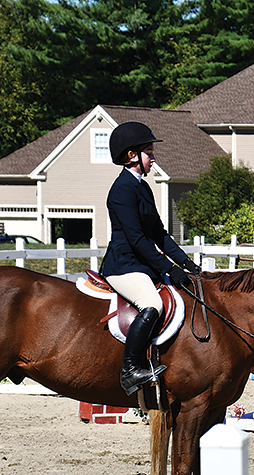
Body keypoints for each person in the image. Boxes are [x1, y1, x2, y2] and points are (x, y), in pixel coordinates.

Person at [101, 122, 201, 396]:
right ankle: (130, 369)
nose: (153, 157)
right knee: (153, 304)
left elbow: (159, 234)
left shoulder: (142, 187)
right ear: (131, 155)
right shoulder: (122, 189)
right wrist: (169, 267)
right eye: (149, 152)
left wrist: (187, 264)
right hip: (123, 265)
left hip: (141, 263)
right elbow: (137, 239)